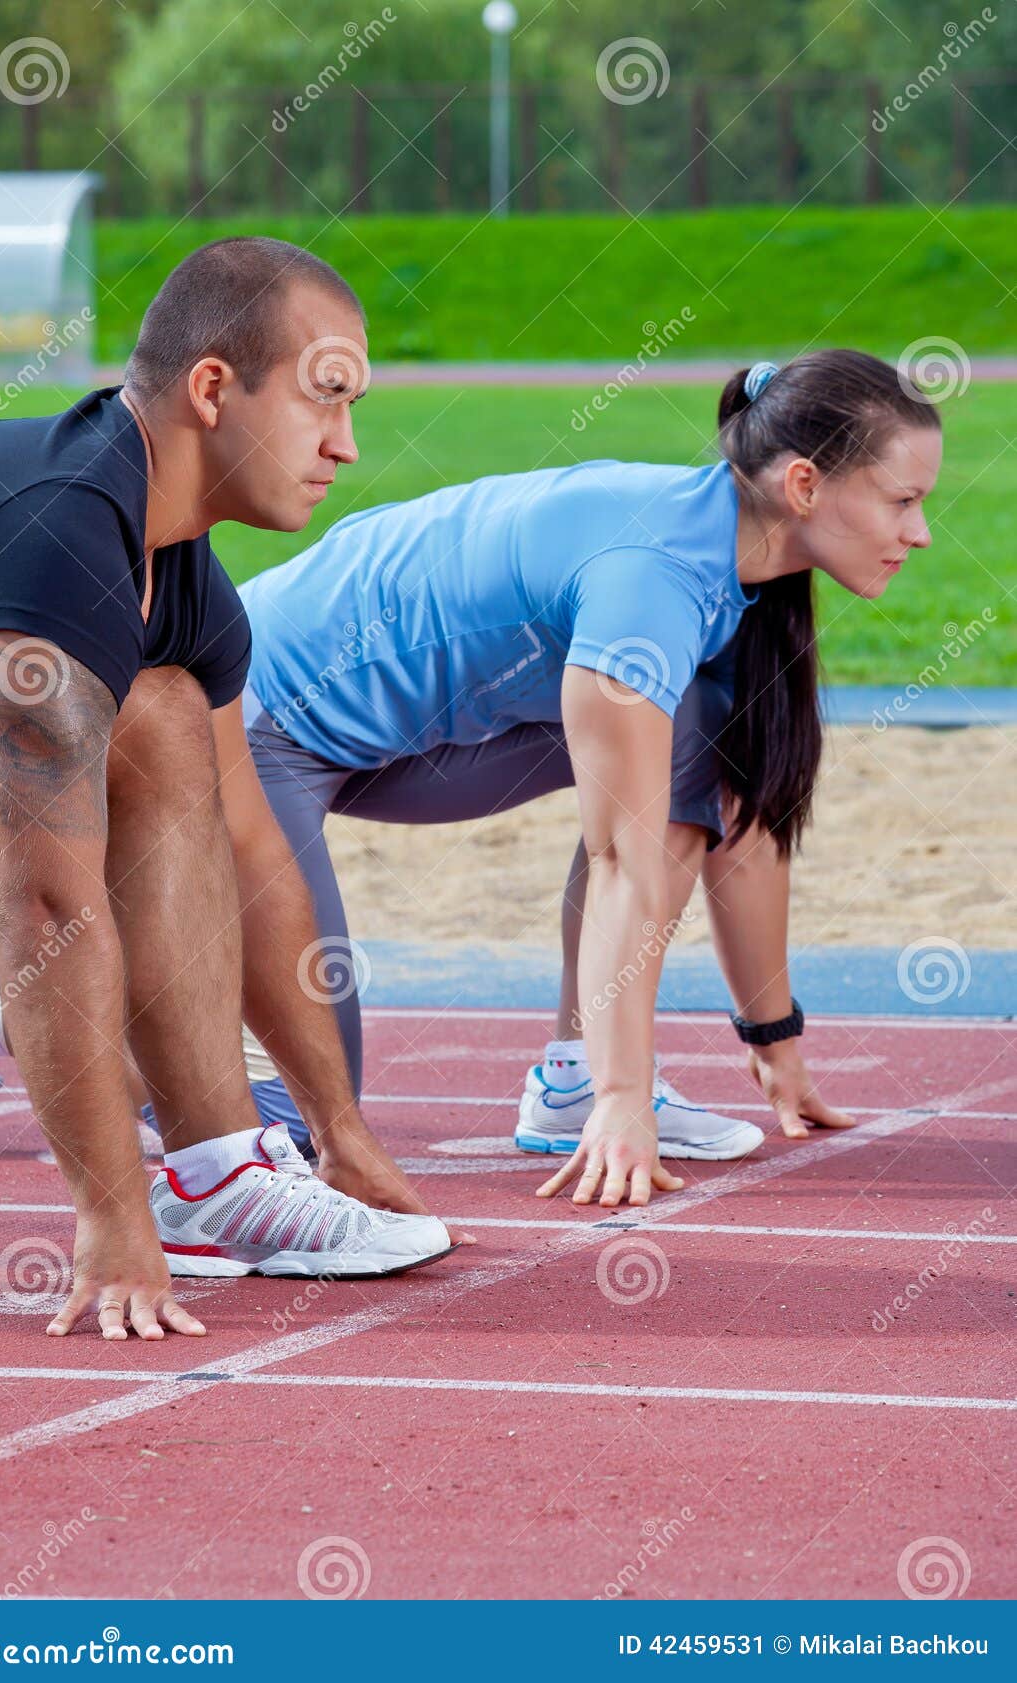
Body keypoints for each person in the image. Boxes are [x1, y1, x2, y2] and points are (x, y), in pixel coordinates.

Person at [236, 350, 940, 1207]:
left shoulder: (738, 571)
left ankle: (572, 1078)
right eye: (902, 502)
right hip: (248, 724)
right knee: (303, 1108)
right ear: (802, 486)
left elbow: (743, 830)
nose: (919, 532)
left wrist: (774, 1041)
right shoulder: (654, 579)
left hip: (392, 746)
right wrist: (625, 1100)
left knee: (699, 737)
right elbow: (623, 863)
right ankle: (44, 1016)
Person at [0, 236, 454, 1342]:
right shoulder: (59, 543)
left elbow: (249, 846)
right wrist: (109, 1214)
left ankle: (221, 1171)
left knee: (160, 711)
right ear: (214, 388)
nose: (347, 445)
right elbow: (41, 901)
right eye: (325, 400)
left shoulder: (179, 581)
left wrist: (338, 1127)